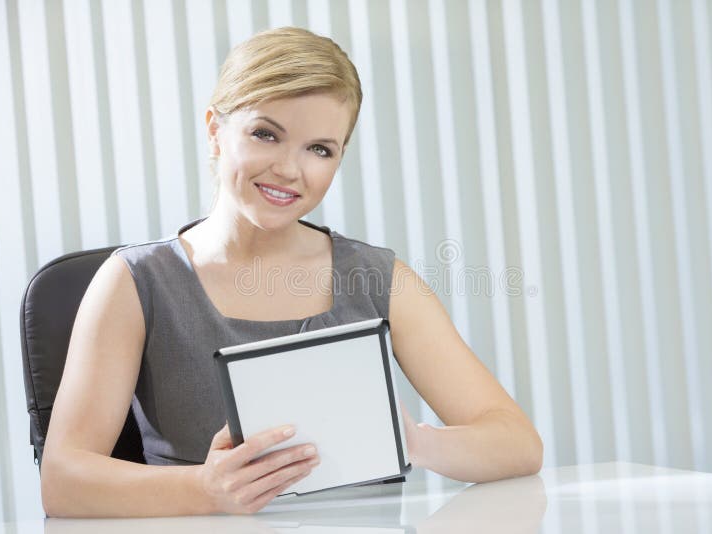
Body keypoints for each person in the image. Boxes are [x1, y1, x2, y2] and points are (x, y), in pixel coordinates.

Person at [41, 27, 542, 518]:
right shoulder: (134, 281)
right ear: (215, 131)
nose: (289, 169)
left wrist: (410, 440)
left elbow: (517, 443)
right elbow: (63, 481)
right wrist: (204, 488)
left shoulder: (376, 277)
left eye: (320, 149)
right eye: (266, 134)